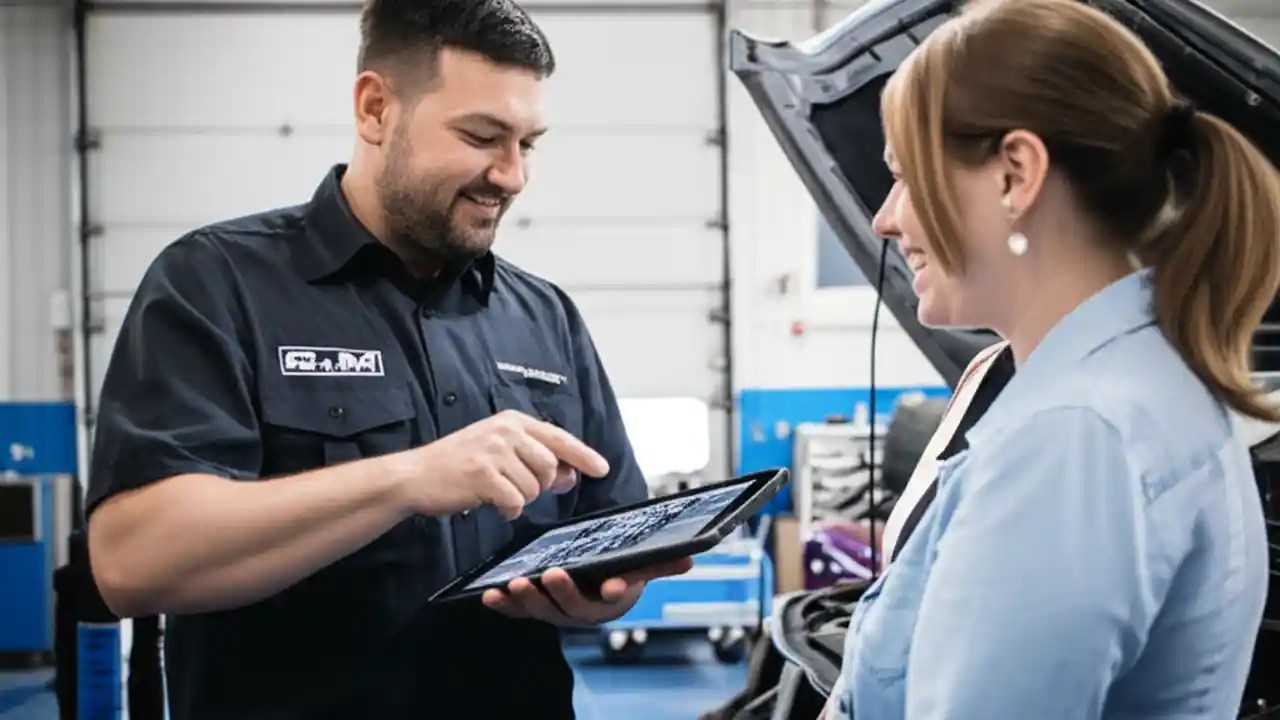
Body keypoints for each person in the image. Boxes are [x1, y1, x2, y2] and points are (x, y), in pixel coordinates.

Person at [83, 1, 691, 718]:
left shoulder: (545, 316)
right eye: (482, 136)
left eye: (529, 143)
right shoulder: (217, 283)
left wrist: (595, 600)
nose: (513, 175)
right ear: (376, 110)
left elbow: (608, 525)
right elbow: (131, 563)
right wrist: (411, 478)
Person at [830, 0, 1280, 717]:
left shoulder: (1072, 437)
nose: (887, 219)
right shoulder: (1134, 384)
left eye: (907, 175)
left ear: (1015, 174)